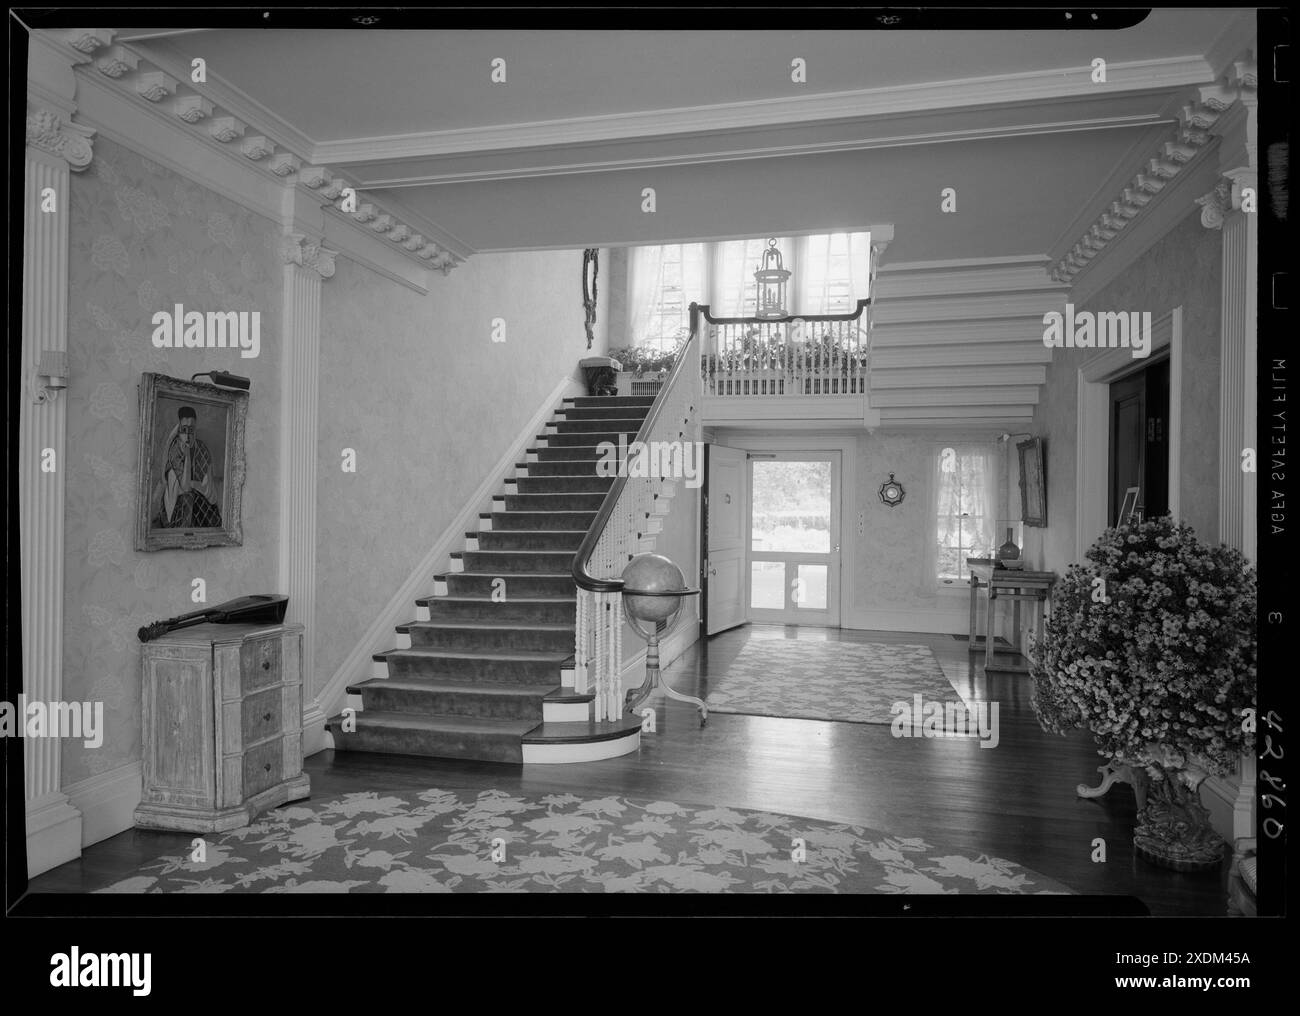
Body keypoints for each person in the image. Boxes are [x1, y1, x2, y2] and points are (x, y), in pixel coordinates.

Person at [154, 406, 222, 528]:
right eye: (184, 430)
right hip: (176, 507)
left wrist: (194, 485)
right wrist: (187, 456)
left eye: (191, 430)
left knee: (210, 513)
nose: (188, 435)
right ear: (179, 430)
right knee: (188, 498)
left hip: (199, 500)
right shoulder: (174, 450)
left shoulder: (202, 449)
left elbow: (209, 491)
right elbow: (185, 488)